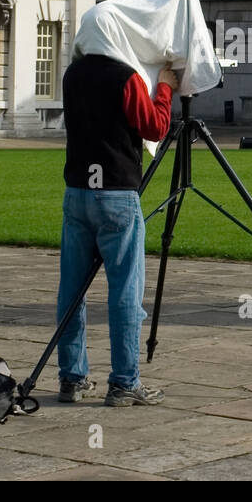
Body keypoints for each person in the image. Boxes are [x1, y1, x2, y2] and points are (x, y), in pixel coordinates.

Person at [57, 48, 177, 406]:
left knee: (71, 290)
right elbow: (155, 126)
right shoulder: (125, 77)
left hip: (77, 191)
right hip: (116, 193)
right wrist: (166, 89)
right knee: (125, 290)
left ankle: (72, 377)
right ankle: (125, 381)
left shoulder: (72, 73)